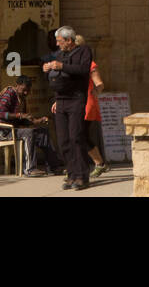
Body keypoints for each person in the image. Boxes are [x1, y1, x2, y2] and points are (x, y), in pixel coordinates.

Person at [43, 26, 93, 190]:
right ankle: (71, 174)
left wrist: (61, 66)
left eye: (60, 41)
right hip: (61, 100)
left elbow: (84, 69)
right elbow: (57, 76)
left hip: (76, 99)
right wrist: (48, 68)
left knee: (76, 137)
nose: (58, 44)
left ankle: (82, 176)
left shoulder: (83, 51)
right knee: (63, 140)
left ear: (69, 40)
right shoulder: (60, 55)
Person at [0, 75, 62, 177]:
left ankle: (53, 167)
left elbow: (22, 121)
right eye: (24, 90)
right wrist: (19, 115)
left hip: (15, 130)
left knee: (43, 133)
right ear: (17, 85)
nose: (26, 93)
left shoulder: (22, 98)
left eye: (28, 91)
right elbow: (0, 114)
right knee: (29, 133)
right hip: (4, 132)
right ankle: (29, 169)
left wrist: (38, 121)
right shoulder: (9, 94)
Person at [75, 35, 108, 178]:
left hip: (87, 103)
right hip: (75, 102)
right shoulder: (73, 63)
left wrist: (94, 92)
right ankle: (95, 164)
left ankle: (98, 163)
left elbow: (100, 84)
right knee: (79, 134)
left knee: (80, 134)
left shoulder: (89, 64)